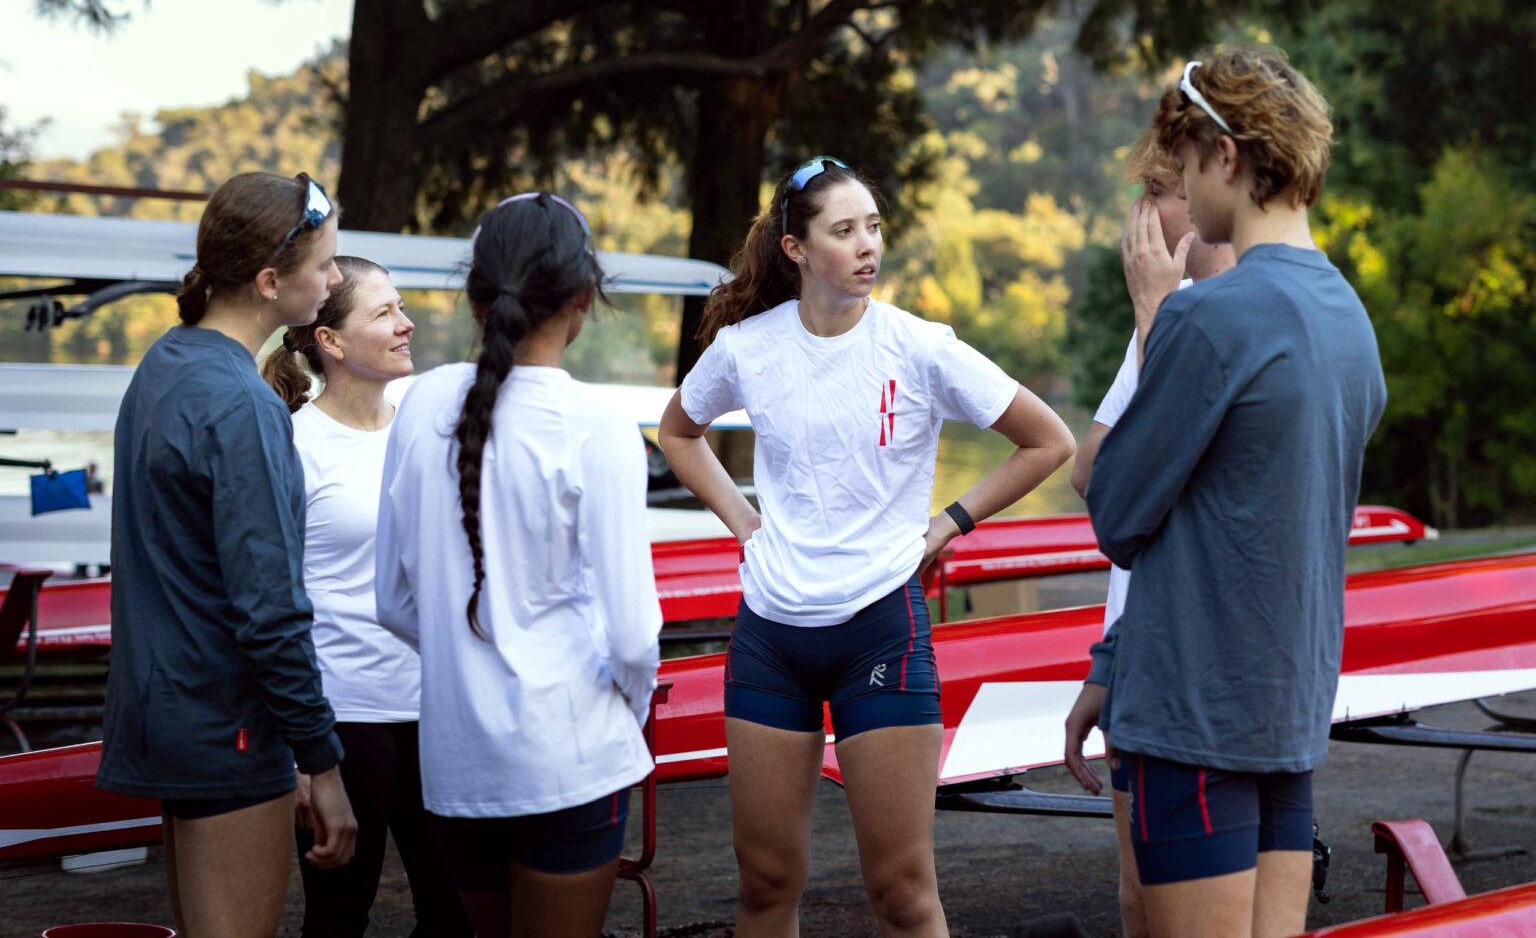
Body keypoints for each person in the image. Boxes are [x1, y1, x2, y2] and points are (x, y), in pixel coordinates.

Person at [658, 156, 1076, 938]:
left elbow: (1047, 441)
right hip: (771, 637)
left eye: (874, 227)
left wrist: (951, 520)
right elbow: (679, 431)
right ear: (796, 249)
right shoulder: (749, 347)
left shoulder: (920, 347)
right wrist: (745, 522)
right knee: (766, 885)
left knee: (902, 892)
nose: (867, 246)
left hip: (880, 628)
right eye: (844, 230)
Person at [1062, 47, 1388, 938]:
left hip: (1191, 720)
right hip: (1284, 711)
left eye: (1187, 163)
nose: (1181, 192)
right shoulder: (1350, 320)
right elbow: (1238, 523)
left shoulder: (1207, 317)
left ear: (1228, 158)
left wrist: (1153, 321)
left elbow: (1118, 514)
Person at [374, 193, 662, 938]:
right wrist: (617, 715)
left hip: (459, 757)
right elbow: (634, 638)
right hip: (571, 753)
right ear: (582, 295)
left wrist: (465, 656)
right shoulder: (597, 425)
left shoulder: (421, 403)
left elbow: (392, 602)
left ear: (476, 292)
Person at [97, 172, 358, 938]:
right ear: (271, 282)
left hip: (172, 715)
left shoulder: (165, 363)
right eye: (326, 264)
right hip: (226, 730)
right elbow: (272, 613)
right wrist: (324, 762)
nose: (336, 278)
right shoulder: (242, 405)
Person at [261, 257, 473, 938]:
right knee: (338, 916)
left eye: (401, 306)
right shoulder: (295, 445)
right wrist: (300, 755)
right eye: (383, 313)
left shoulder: (427, 420)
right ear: (331, 341)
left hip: (439, 708)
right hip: (344, 719)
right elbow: (271, 601)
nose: (406, 323)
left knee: (457, 913)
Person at [1068, 133, 1236, 938]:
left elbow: (1131, 494)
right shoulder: (1168, 322)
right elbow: (1085, 471)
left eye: (1161, 191)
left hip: (1196, 679)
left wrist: (1152, 320)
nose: (1143, 213)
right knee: (1137, 904)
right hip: (1135, 655)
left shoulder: (1206, 324)